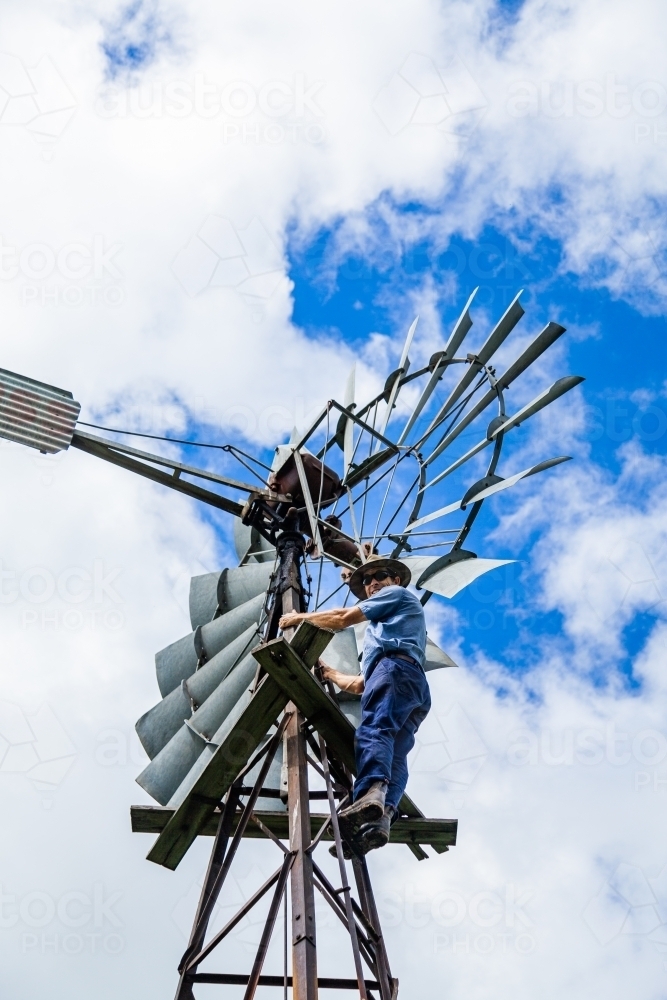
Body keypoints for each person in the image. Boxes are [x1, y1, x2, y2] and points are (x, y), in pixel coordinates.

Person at [278, 554, 431, 855]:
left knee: (374, 731)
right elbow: (362, 685)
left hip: (394, 672)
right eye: (367, 581)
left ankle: (369, 797)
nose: (373, 583)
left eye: (380, 576)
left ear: (395, 580)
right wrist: (330, 673)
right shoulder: (390, 629)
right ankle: (380, 820)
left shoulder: (396, 595)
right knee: (396, 753)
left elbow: (341, 618)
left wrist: (297, 618)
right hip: (413, 687)